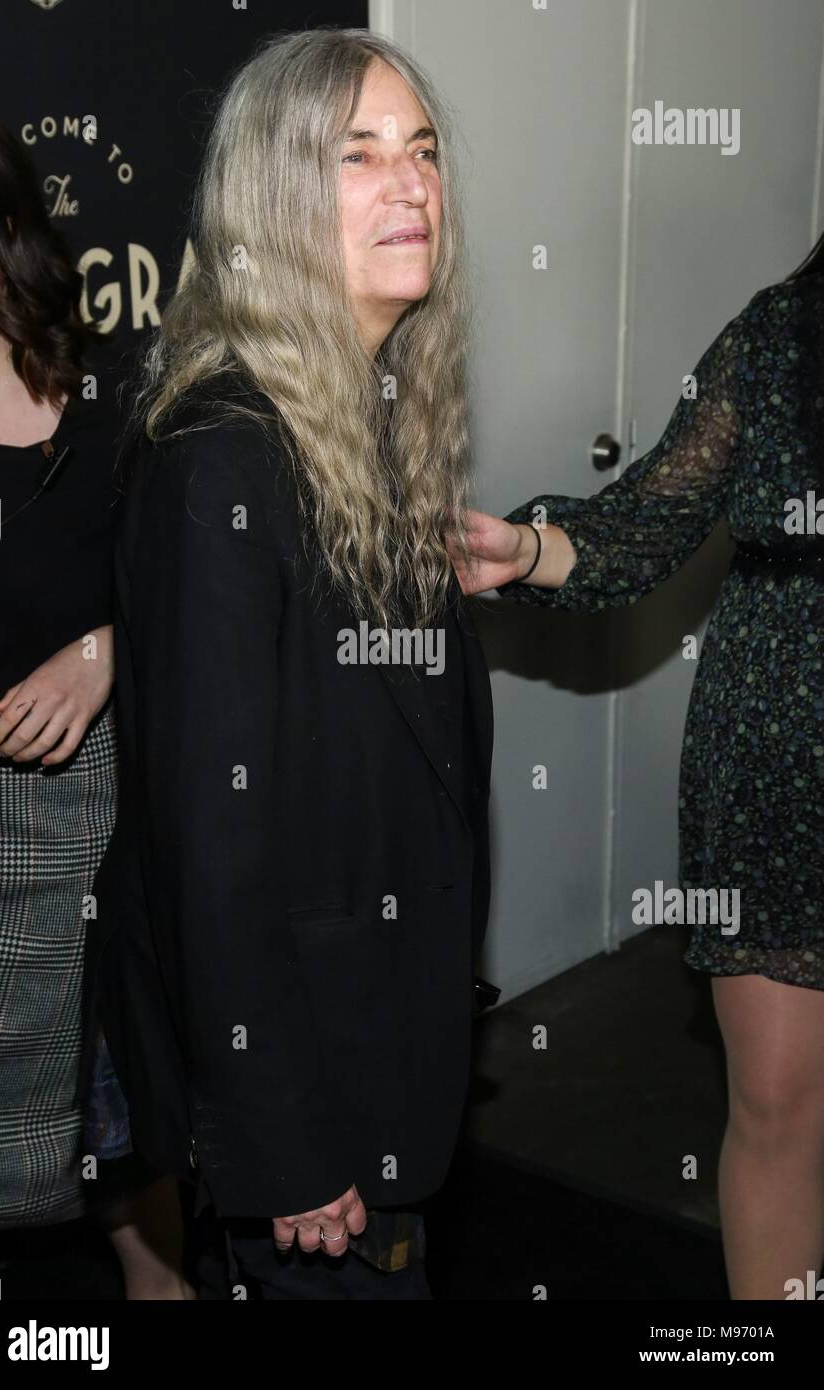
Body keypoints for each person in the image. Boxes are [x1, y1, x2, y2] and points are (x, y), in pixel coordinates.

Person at [80, 27, 494, 1301]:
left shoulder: (372, 421)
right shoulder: (221, 455)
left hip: (374, 1044)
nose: (411, 184)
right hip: (304, 1092)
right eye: (357, 155)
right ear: (271, 200)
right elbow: (209, 842)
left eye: (419, 150)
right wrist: (284, 1142)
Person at [451, 253, 824, 1300]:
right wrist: (525, 549)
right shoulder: (776, 334)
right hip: (772, 765)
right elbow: (653, 512)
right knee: (776, 1108)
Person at [0, 98, 192, 1300]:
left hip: (80, 863)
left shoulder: (113, 414)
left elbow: (197, 613)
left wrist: (100, 651)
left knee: (115, 1131)